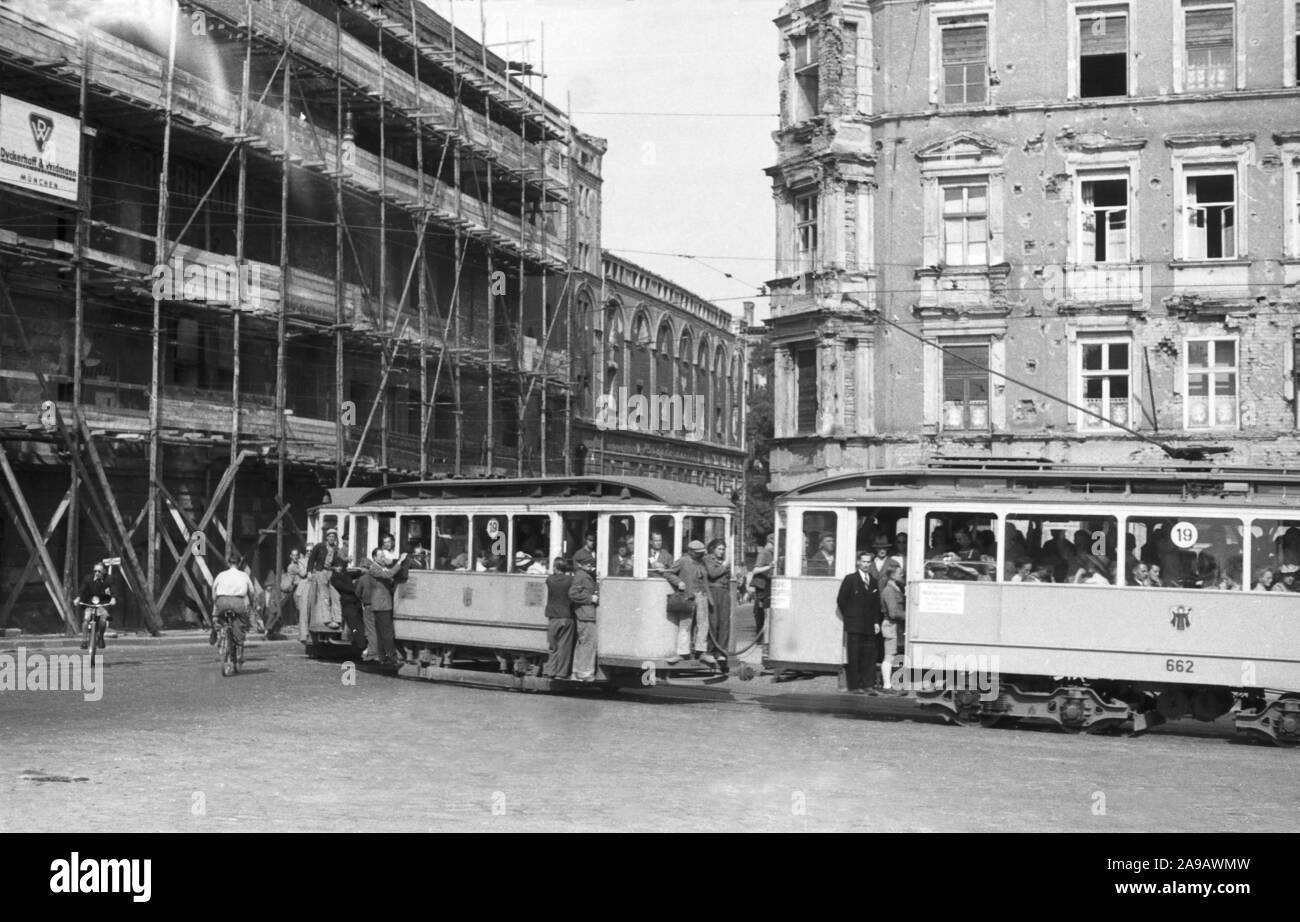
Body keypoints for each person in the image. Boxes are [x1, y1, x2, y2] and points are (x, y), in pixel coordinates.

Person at [836, 551, 882, 694]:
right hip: (855, 625)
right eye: (863, 562)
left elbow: (876, 604)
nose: (866, 565)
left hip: (868, 625)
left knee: (868, 656)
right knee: (854, 655)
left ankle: (868, 684)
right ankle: (854, 686)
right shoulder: (850, 579)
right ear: (858, 562)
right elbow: (841, 600)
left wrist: (876, 622)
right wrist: (850, 616)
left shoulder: (873, 581)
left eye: (868, 562)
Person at [663, 540, 712, 665]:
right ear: (690, 551)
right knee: (685, 625)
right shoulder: (682, 561)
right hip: (688, 597)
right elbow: (668, 573)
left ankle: (701, 652)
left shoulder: (703, 561)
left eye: (701, 553)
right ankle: (682, 653)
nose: (700, 555)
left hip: (702, 596)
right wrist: (678, 582)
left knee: (703, 624)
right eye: (697, 553)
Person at [354, 551, 403, 665]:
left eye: (383, 556)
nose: (383, 558)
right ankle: (392, 658)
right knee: (387, 632)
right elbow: (388, 575)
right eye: (381, 556)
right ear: (374, 557)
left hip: (382, 604)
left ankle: (382, 657)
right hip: (381, 604)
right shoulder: (374, 568)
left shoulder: (380, 568)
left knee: (381, 633)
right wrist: (399, 562)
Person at [211, 553, 256, 664]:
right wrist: (250, 602)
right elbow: (252, 591)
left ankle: (220, 630)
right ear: (239, 563)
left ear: (228, 563)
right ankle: (239, 645)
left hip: (222, 601)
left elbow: (213, 588)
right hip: (237, 602)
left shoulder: (221, 574)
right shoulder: (243, 575)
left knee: (218, 616)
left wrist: (215, 601)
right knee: (242, 622)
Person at [305, 528, 347, 635]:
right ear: (327, 537)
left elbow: (338, 562)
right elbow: (312, 559)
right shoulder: (320, 547)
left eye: (334, 536)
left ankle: (337, 618)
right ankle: (327, 619)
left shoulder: (337, 549)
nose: (332, 538)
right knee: (324, 596)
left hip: (331, 572)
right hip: (321, 572)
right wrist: (309, 571)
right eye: (330, 536)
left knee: (335, 595)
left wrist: (341, 564)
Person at [542, 559, 576, 679]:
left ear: (555, 567)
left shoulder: (550, 580)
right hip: (567, 617)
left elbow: (550, 576)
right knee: (564, 648)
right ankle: (561, 673)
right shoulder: (571, 580)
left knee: (553, 647)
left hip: (553, 618)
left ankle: (551, 671)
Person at [568, 555, 599, 681]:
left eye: (591, 564)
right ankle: (585, 673)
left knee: (582, 642)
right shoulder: (581, 576)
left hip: (584, 613)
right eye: (588, 564)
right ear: (581, 564)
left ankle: (577, 671)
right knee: (588, 643)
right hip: (585, 613)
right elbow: (572, 593)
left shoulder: (582, 574)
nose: (591, 566)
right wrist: (590, 598)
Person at [73, 561, 115, 650]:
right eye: (95, 571)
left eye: (99, 571)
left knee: (103, 620)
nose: (97, 573)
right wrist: (78, 598)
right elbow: (82, 589)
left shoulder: (109, 579)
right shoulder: (88, 579)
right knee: (86, 619)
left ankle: (100, 637)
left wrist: (113, 598)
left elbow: (113, 590)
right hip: (90, 602)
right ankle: (84, 640)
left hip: (103, 602)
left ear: (104, 571)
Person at [879, 560, 906, 693]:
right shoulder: (889, 590)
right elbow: (893, 612)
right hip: (891, 625)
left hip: (895, 626)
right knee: (889, 655)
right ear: (892, 575)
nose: (902, 575)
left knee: (893, 654)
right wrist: (908, 616)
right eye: (900, 573)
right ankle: (886, 685)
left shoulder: (895, 588)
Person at [704, 538, 732, 666]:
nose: (721, 551)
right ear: (713, 549)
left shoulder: (723, 561)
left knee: (724, 623)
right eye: (719, 549)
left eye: (723, 549)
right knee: (713, 622)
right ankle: (711, 651)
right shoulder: (708, 559)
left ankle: (721, 652)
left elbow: (728, 577)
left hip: (724, 592)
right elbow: (712, 573)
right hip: (713, 591)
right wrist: (724, 566)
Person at [748, 533, 775, 648]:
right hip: (763, 587)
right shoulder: (764, 553)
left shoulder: (771, 553)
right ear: (770, 543)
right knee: (763, 614)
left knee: (766, 614)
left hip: (767, 586)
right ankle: (763, 641)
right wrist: (769, 567)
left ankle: (764, 640)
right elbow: (755, 570)